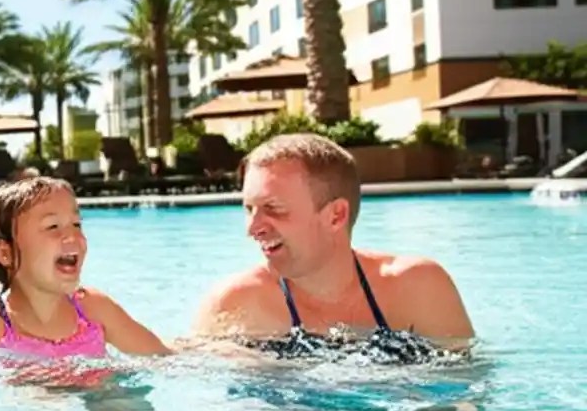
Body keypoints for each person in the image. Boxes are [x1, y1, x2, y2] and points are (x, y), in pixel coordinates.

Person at [190, 133, 475, 358]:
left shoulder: (417, 287)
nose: (252, 228)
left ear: (336, 216)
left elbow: (463, 392)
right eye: (249, 209)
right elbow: (186, 366)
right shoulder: (237, 304)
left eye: (273, 208)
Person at [0, 176, 170, 359]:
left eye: (77, 224)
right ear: (6, 253)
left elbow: (164, 359)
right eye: (52, 227)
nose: (72, 236)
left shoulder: (93, 310)